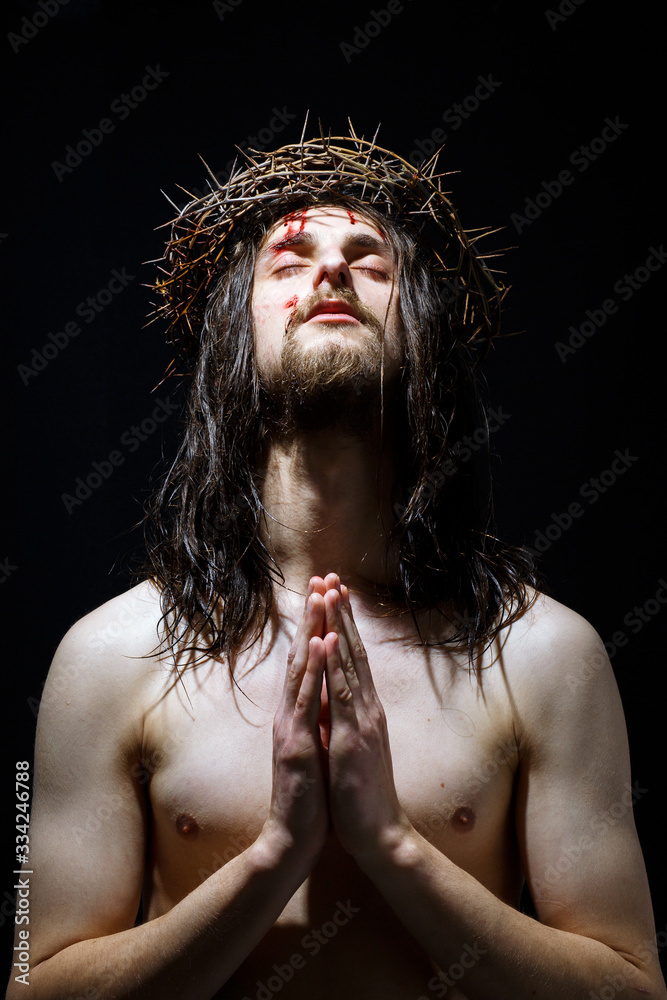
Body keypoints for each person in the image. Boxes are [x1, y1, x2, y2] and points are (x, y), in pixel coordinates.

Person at [7, 127, 665, 1000]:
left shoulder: (543, 654)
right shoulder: (106, 658)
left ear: (421, 334)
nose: (329, 273)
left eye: (369, 260)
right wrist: (278, 853)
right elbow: (34, 987)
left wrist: (389, 841)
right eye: (287, 262)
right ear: (232, 337)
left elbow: (630, 987)